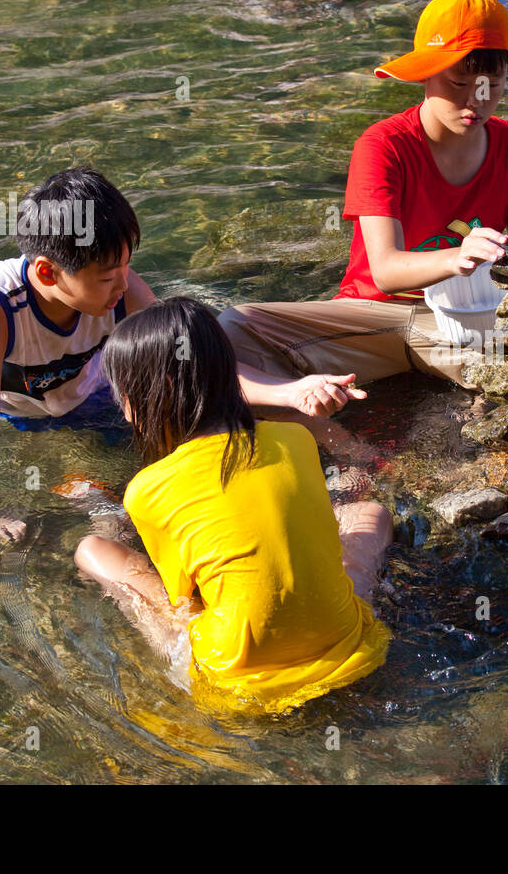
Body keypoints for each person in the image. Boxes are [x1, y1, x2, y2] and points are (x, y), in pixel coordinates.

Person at [0, 166, 354, 541]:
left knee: (241, 419)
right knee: (111, 518)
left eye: (127, 266)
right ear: (46, 273)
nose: (123, 285)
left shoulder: (118, 287)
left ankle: (357, 470)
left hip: (103, 396)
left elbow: (195, 367)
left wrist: (291, 391)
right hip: (34, 425)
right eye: (109, 276)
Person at [218, 0, 508, 416]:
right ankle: (328, 436)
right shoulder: (383, 145)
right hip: (374, 316)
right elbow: (384, 271)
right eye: (459, 84)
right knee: (234, 327)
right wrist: (459, 255)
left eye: (490, 86)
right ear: (424, 75)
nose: (475, 101)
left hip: (467, 317)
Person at [74, 297, 392, 714]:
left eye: (123, 392)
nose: (121, 404)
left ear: (158, 392)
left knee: (92, 551)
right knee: (371, 513)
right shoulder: (296, 440)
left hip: (235, 678)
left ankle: (175, 652)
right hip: (347, 648)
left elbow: (185, 597)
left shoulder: (146, 490)